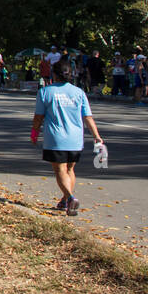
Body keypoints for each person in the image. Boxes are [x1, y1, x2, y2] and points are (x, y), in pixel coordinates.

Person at [32, 56, 103, 216]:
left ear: (54, 75)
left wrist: (34, 133)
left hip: (56, 138)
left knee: (59, 170)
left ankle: (70, 198)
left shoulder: (45, 92)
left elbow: (38, 117)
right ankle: (65, 200)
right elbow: (88, 117)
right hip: (76, 139)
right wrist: (97, 136)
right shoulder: (79, 92)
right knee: (70, 169)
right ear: (70, 74)